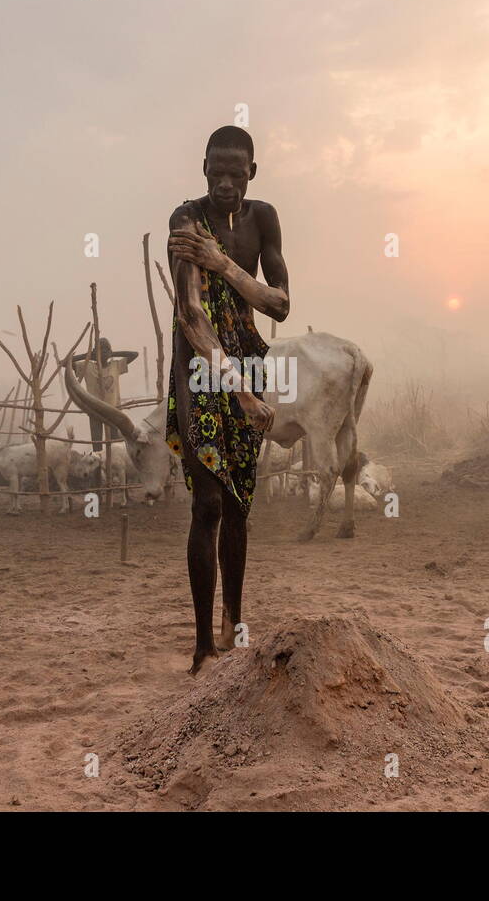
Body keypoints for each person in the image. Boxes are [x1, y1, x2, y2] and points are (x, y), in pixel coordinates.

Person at [165, 125, 291, 675]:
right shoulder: (185, 219)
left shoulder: (264, 218)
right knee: (208, 503)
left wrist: (223, 265)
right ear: (203, 168)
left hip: (248, 359)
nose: (224, 182)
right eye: (215, 170)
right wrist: (237, 392)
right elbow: (193, 316)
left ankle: (232, 622)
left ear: (251, 174)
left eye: (235, 172)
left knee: (240, 501)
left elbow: (279, 304)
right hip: (200, 369)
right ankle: (201, 644)